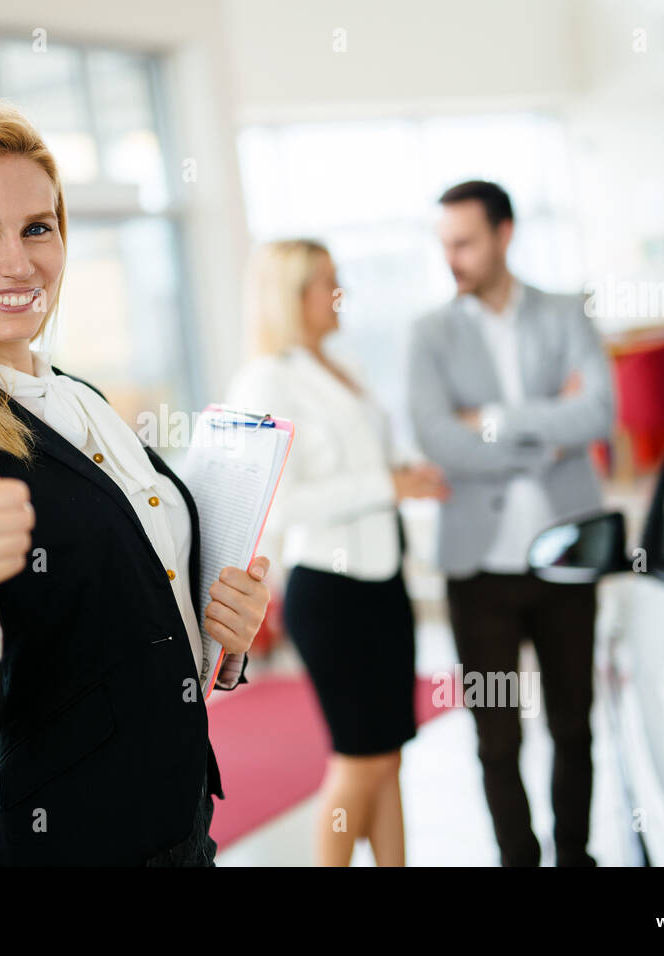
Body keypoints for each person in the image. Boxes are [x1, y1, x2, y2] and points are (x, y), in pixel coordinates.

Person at [0, 100, 272, 866]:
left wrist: (227, 637)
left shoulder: (79, 396)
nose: (18, 262)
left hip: (178, 824)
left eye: (37, 228)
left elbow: (132, 608)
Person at [408, 180, 614, 866]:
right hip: (478, 571)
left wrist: (494, 421)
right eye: (444, 245)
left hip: (567, 556)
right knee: (497, 737)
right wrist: (546, 436)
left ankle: (575, 856)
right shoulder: (429, 334)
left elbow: (599, 412)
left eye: (465, 243)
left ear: (504, 234)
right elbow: (439, 440)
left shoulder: (565, 313)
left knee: (574, 724)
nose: (452, 259)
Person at [226, 239, 448, 866]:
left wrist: (407, 472)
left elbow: (368, 459)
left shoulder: (343, 365)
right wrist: (386, 485)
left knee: (389, 756)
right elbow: (278, 502)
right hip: (332, 593)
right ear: (292, 297)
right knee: (360, 761)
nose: (339, 293)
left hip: (383, 581)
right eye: (327, 282)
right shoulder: (267, 379)